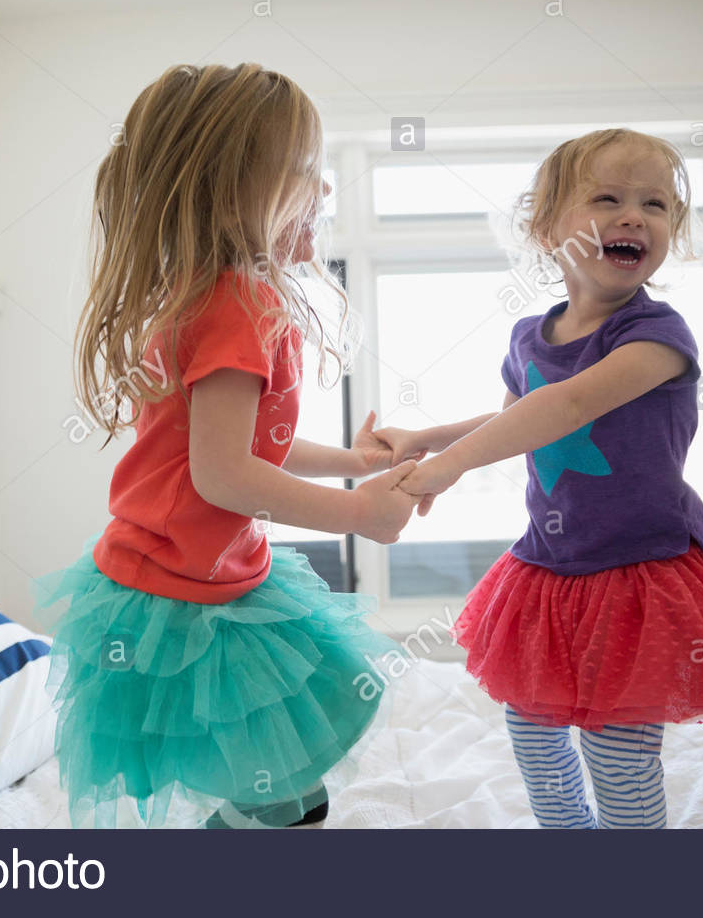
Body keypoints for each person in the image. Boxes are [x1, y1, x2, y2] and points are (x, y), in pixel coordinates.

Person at [375, 128, 703, 829]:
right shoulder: (529, 334)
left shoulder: (656, 335)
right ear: (544, 227)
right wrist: (426, 439)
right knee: (532, 734)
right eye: (607, 198)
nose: (635, 216)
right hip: (550, 571)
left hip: (640, 572)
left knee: (616, 751)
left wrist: (449, 469)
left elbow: (569, 404)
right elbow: (515, 417)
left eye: (657, 204)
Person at [34, 63, 420, 829]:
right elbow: (223, 475)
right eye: (307, 171)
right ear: (238, 185)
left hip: (207, 573)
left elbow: (249, 450)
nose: (328, 191)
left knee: (293, 791)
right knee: (279, 795)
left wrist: (355, 462)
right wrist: (355, 514)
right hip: (175, 592)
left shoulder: (222, 295)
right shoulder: (235, 304)